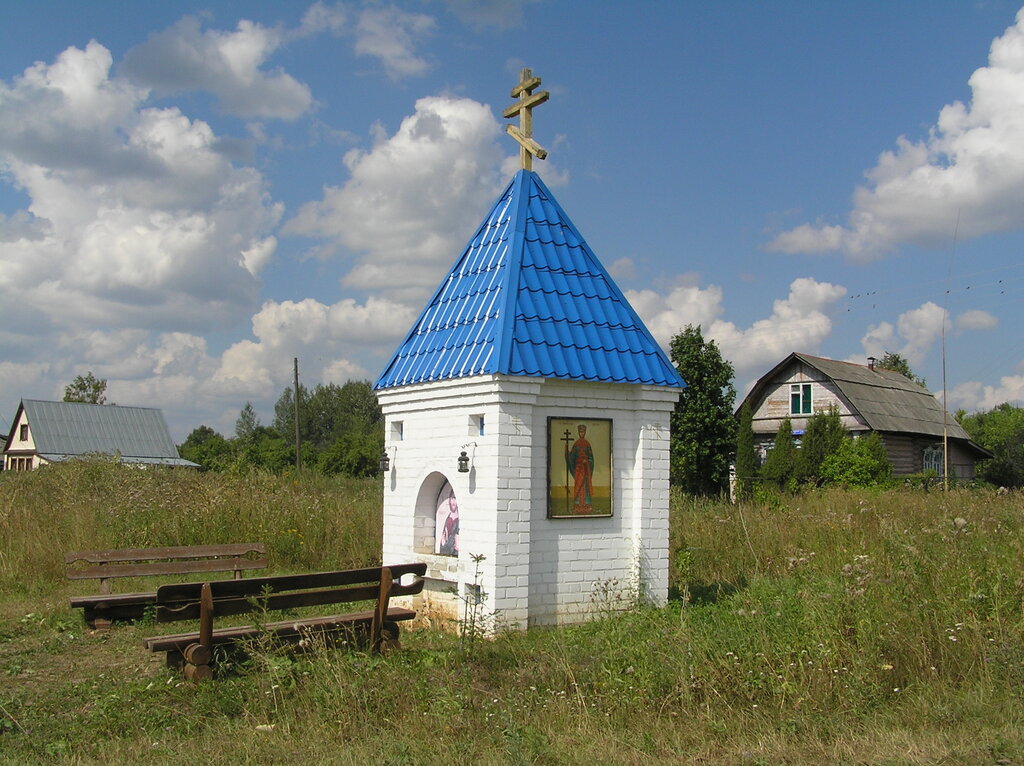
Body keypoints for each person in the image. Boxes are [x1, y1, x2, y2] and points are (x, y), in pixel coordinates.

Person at [565, 424, 594, 514]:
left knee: (585, 487)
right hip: (578, 470)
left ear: (585, 432)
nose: (582, 433)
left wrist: (587, 461)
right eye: (580, 432)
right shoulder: (576, 444)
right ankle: (577, 506)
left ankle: (587, 506)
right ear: (578, 432)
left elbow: (591, 458)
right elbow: (572, 457)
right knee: (578, 486)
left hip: (586, 470)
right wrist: (567, 453)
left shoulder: (587, 444)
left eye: (583, 432)